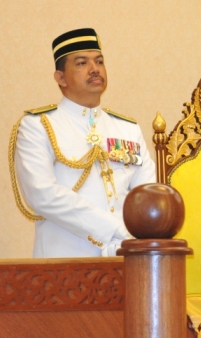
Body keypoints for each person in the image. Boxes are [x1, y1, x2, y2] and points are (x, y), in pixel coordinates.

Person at [11, 28, 155, 258]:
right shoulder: (38, 126)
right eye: (82, 63)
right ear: (60, 78)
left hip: (127, 259)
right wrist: (115, 231)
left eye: (99, 61)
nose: (94, 69)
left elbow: (147, 194)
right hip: (63, 263)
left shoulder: (127, 129)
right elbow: (42, 194)